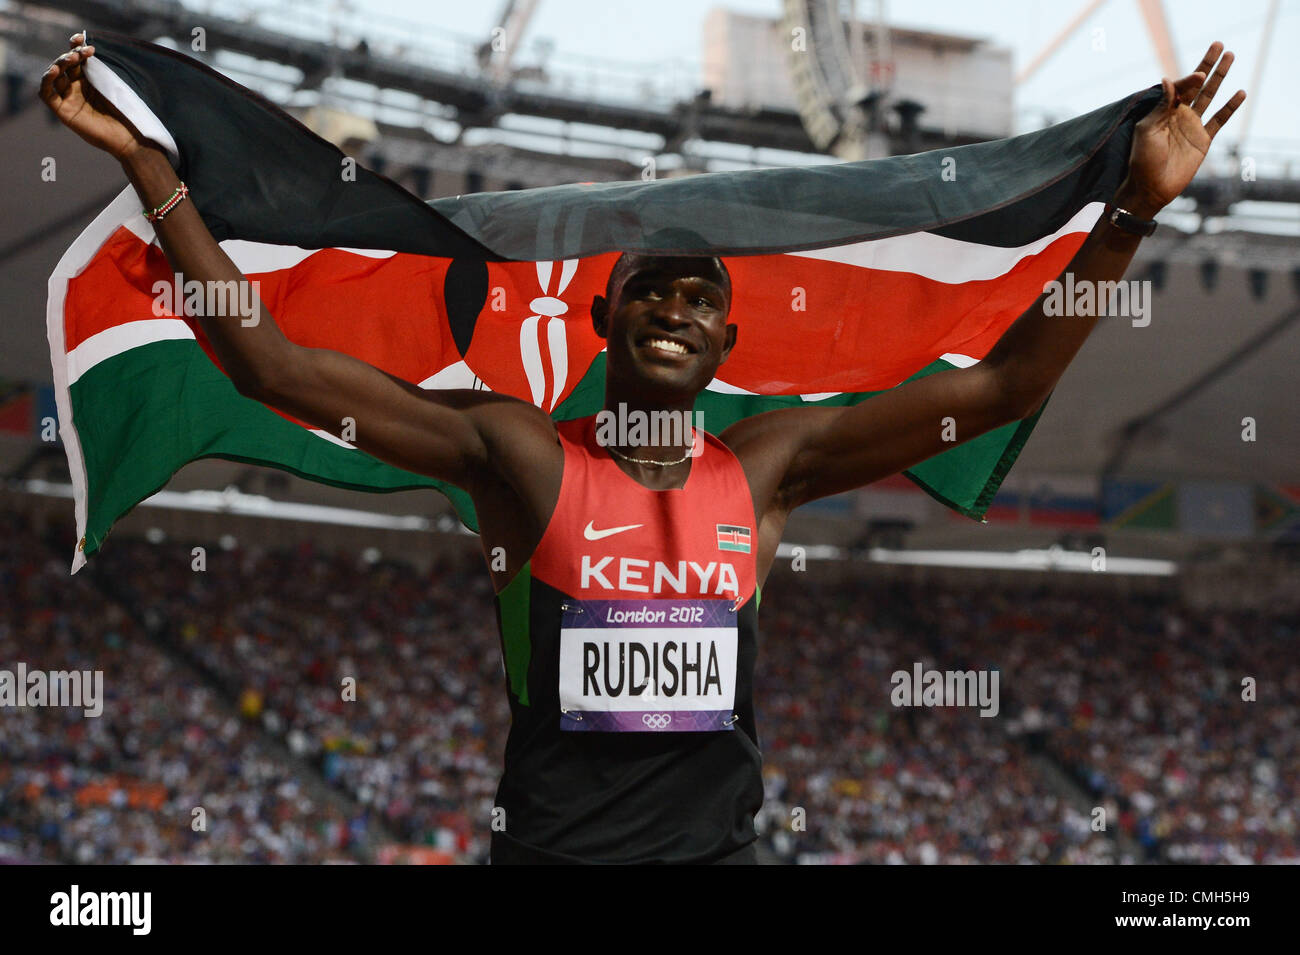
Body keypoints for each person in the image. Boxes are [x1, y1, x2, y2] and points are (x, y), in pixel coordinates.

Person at [40, 34, 1244, 864]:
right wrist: (158, 174)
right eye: (649, 289)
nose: (675, 304)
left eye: (699, 295)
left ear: (726, 338)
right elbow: (279, 370)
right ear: (601, 318)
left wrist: (1130, 210)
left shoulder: (769, 467)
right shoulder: (516, 454)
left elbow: (1001, 387)